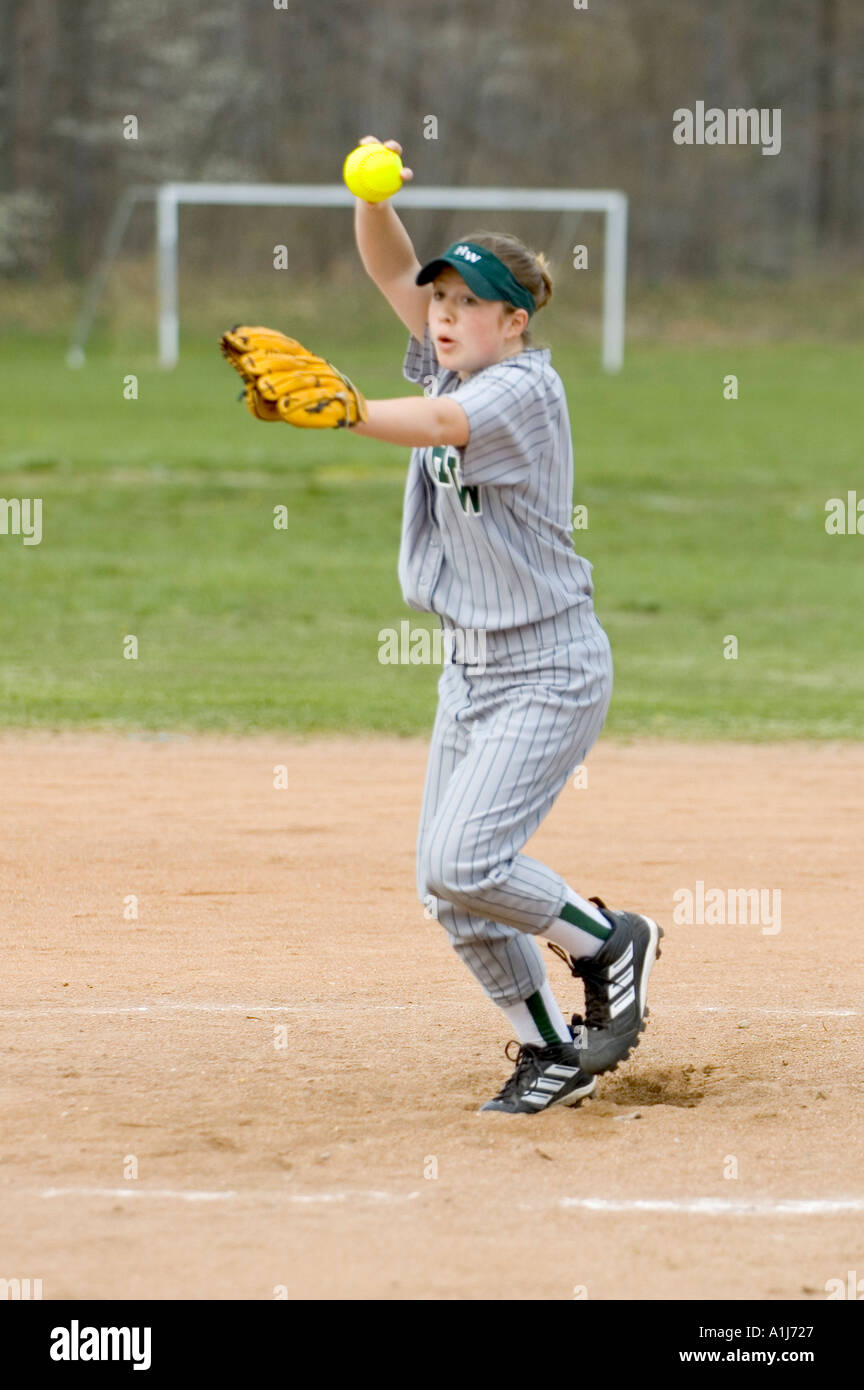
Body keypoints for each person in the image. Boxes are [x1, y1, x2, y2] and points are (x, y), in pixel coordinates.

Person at [347, 136, 663, 1113]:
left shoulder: (524, 389)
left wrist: (346, 410)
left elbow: (443, 430)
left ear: (512, 321)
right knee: (450, 888)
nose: (442, 316)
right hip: (470, 671)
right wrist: (370, 194)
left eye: (465, 305)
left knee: (465, 860)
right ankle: (551, 1047)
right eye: (440, 304)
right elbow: (392, 264)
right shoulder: (449, 364)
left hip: (548, 666)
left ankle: (606, 939)